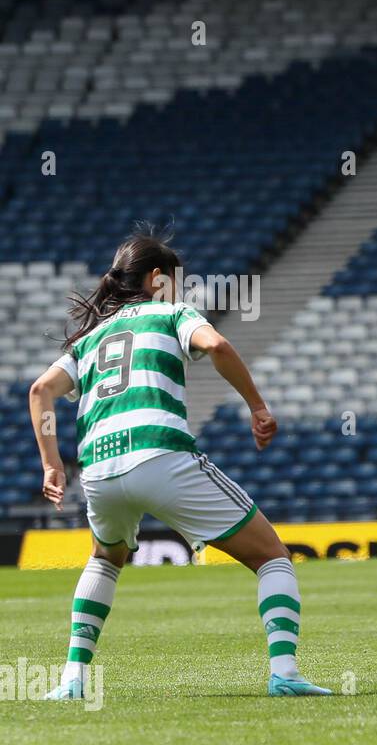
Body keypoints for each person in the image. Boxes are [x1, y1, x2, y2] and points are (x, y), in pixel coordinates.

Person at [28, 232, 330, 699]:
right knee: (272, 556)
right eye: (175, 281)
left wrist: (52, 466)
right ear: (155, 279)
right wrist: (258, 406)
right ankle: (285, 674)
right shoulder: (172, 313)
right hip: (159, 453)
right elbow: (219, 346)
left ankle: (72, 678)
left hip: (99, 471)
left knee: (105, 560)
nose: (180, 290)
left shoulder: (89, 338)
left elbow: (40, 390)